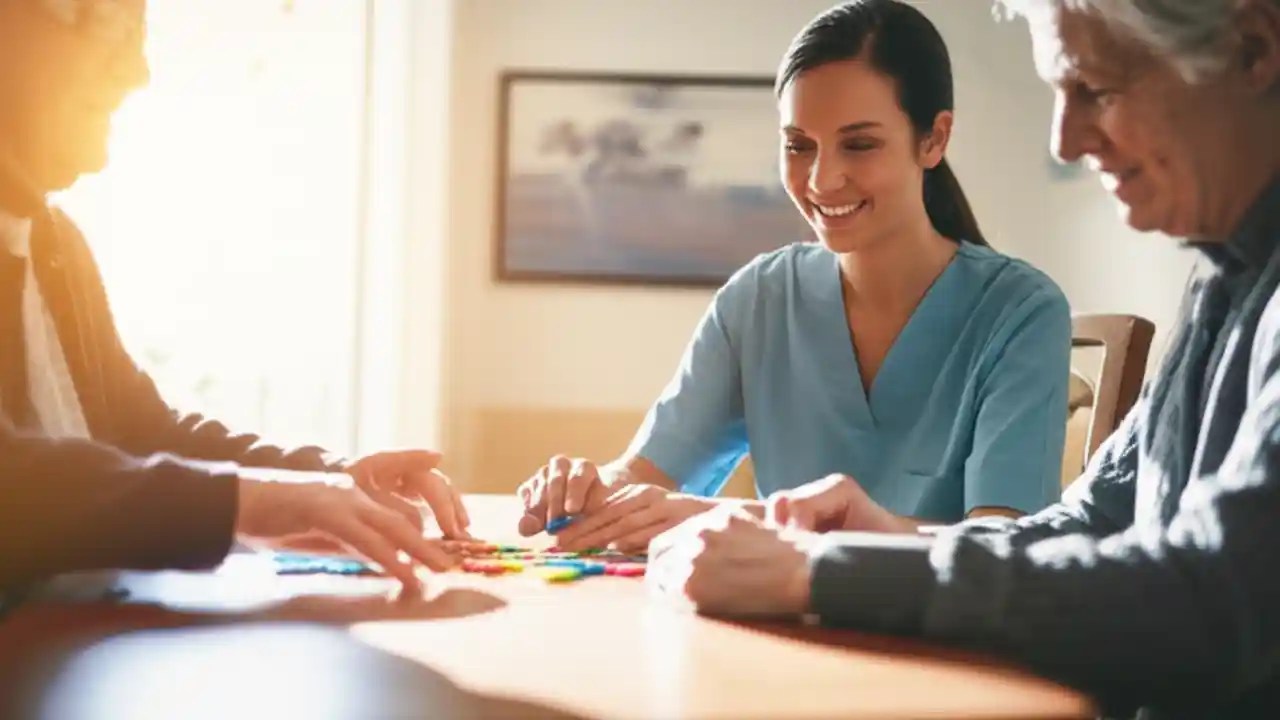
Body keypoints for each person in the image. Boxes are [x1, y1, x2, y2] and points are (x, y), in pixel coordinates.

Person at [649, 0, 1280, 716]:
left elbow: (1214, 595)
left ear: (1255, 51)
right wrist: (882, 545)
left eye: (1094, 91)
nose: (1064, 142)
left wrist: (821, 573)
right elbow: (1083, 521)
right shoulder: (1225, 276)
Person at [517, 0, 1072, 552]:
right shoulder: (758, 300)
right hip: (772, 626)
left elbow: (1004, 548)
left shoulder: (1020, 312)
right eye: (797, 146)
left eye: (859, 145)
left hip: (938, 638)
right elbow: (646, 479)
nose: (822, 180)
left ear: (933, 139)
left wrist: (722, 519)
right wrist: (586, 489)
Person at [0, 0, 471, 605]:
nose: (136, 70)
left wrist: (329, 480)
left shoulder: (53, 239)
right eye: (106, 23)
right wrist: (255, 501)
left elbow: (141, 432)